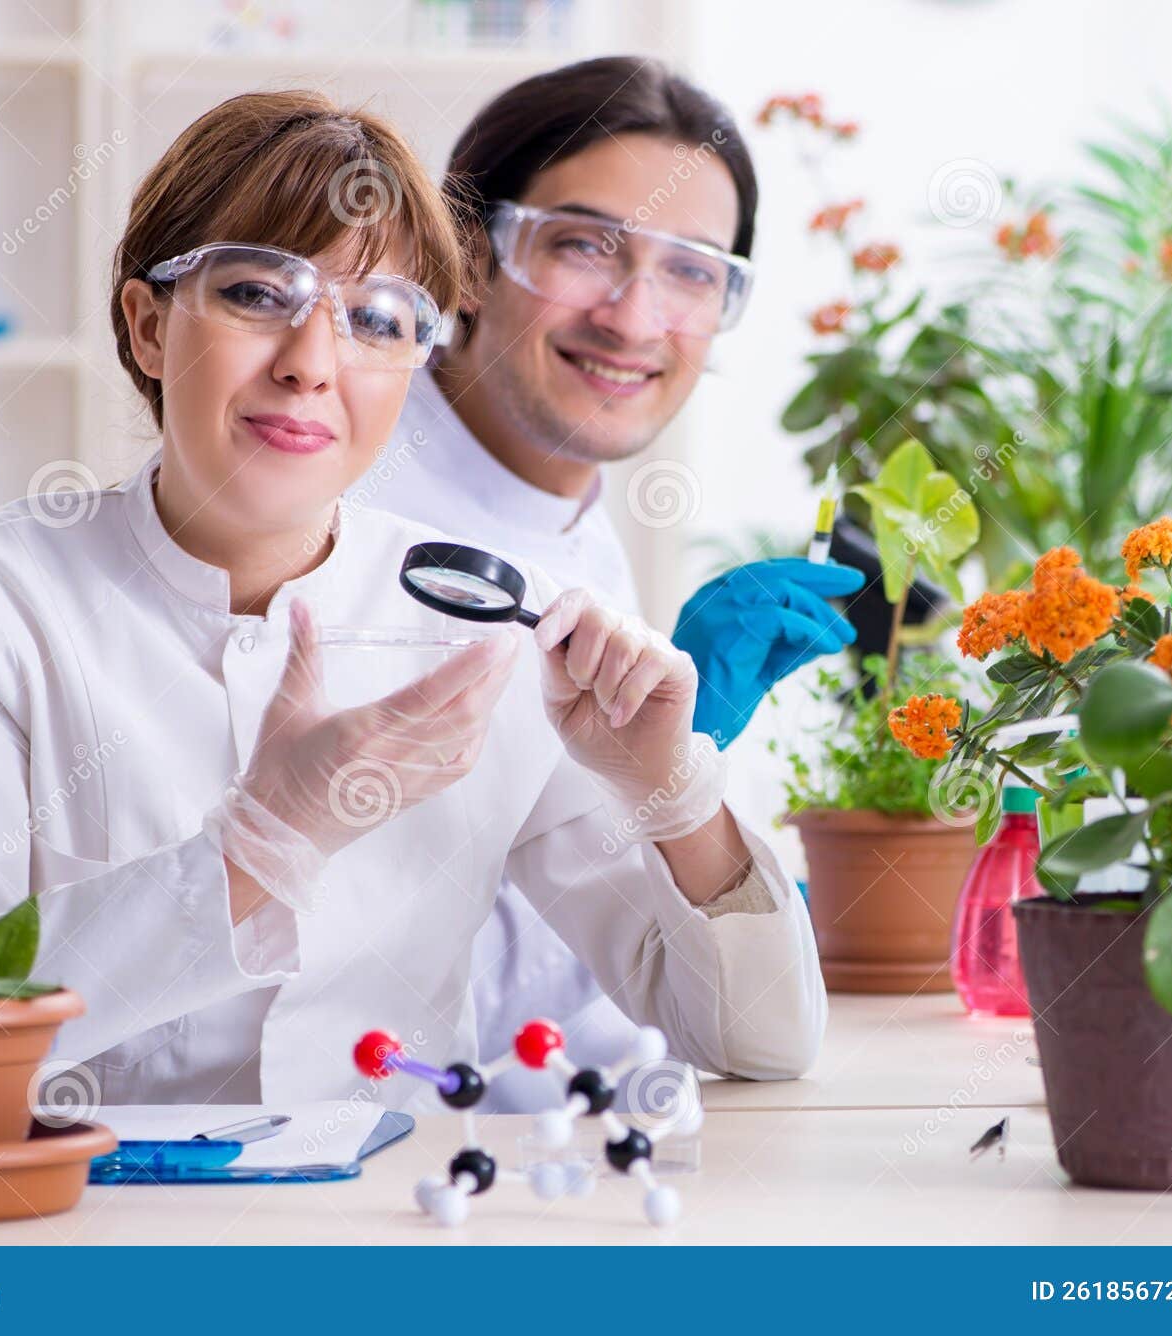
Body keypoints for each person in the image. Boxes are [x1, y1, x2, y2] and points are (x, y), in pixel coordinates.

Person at [0, 90, 827, 1112]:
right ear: (146, 325)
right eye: (257, 295)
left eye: (375, 319)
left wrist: (671, 790)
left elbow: (760, 1040)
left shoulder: (495, 627)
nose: (312, 363)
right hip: (88, 1226)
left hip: (402, 1227)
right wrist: (257, 844)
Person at [359, 58, 863, 1088]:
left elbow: (584, 902)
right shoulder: (340, 500)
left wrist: (675, 769)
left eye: (691, 270)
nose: (634, 320)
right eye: (584, 246)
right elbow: (395, 955)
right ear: (465, 256)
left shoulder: (575, 529)